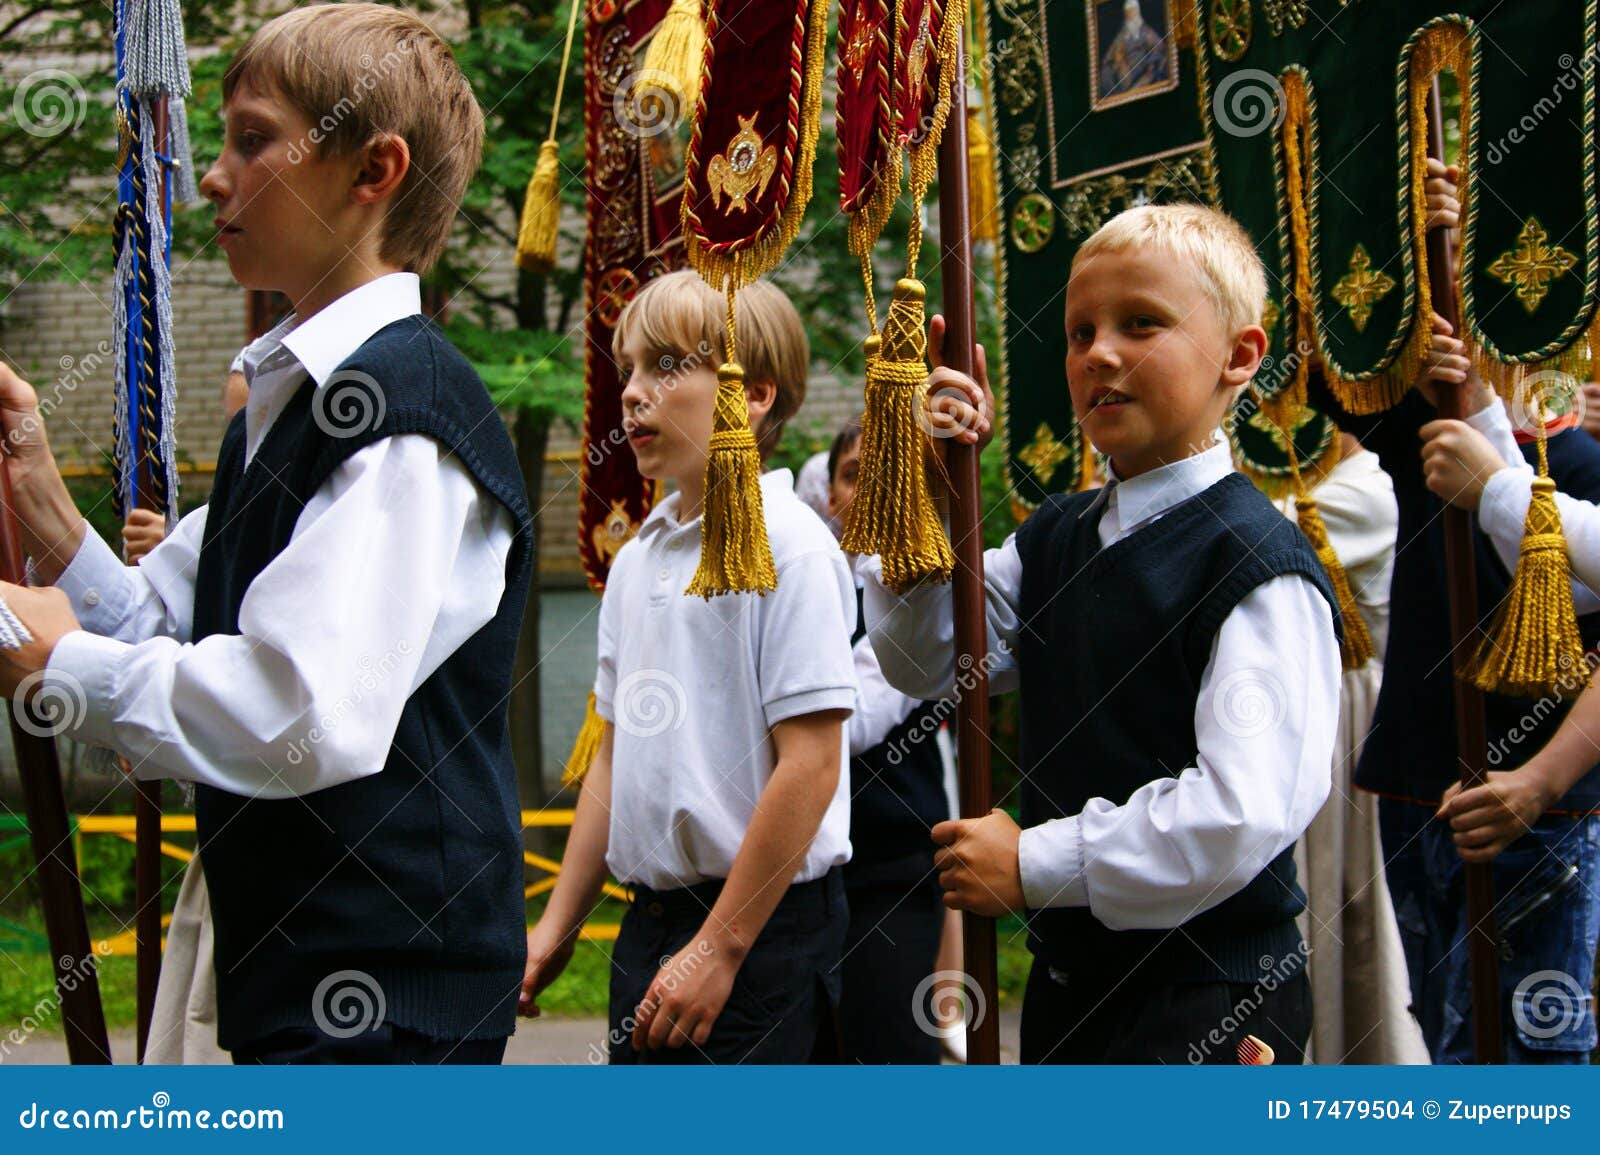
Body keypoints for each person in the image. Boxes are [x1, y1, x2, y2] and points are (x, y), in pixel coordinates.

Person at [0, 3, 533, 1064]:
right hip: (309, 974)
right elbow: (163, 618)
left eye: (253, 140)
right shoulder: (292, 407)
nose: (212, 177)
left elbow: (300, 708)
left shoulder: (401, 416)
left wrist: (62, 665)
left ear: (372, 170)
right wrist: (36, 492)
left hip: (384, 995)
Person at [866, 204, 1340, 1064]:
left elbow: (1240, 812)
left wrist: (1036, 863)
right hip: (1073, 990)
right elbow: (922, 657)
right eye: (1080, 333)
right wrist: (929, 496)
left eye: (1141, 324)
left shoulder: (1254, 560)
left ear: (1240, 355)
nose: (1099, 354)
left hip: (1207, 998)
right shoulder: (1055, 537)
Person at [519, 270, 857, 1063]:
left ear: (754, 393)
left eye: (667, 366)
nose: (633, 392)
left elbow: (811, 763)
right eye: (628, 368)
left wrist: (720, 945)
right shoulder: (638, 559)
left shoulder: (792, 546)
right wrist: (556, 925)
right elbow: (613, 755)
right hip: (650, 923)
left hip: (759, 933)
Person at [1318, 158, 1600, 1064]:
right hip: (1419, 783)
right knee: (1449, 1044)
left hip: (1541, 804)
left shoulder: (1577, 459)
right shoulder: (1434, 425)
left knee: (1531, 1062)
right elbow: (1334, 367)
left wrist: (1540, 779)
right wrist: (1403, 236)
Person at [1268, 422, 1429, 1063]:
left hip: (1346, 722)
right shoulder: (1293, 487)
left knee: (1352, 902)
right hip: (1290, 714)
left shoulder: (1363, 489)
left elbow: (1247, 534)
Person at [820, 417, 950, 1063]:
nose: (868, 490)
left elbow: (855, 719)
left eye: (883, 474)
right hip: (808, 879)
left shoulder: (917, 589)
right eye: (852, 475)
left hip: (889, 878)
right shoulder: (809, 589)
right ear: (831, 497)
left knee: (888, 1053)